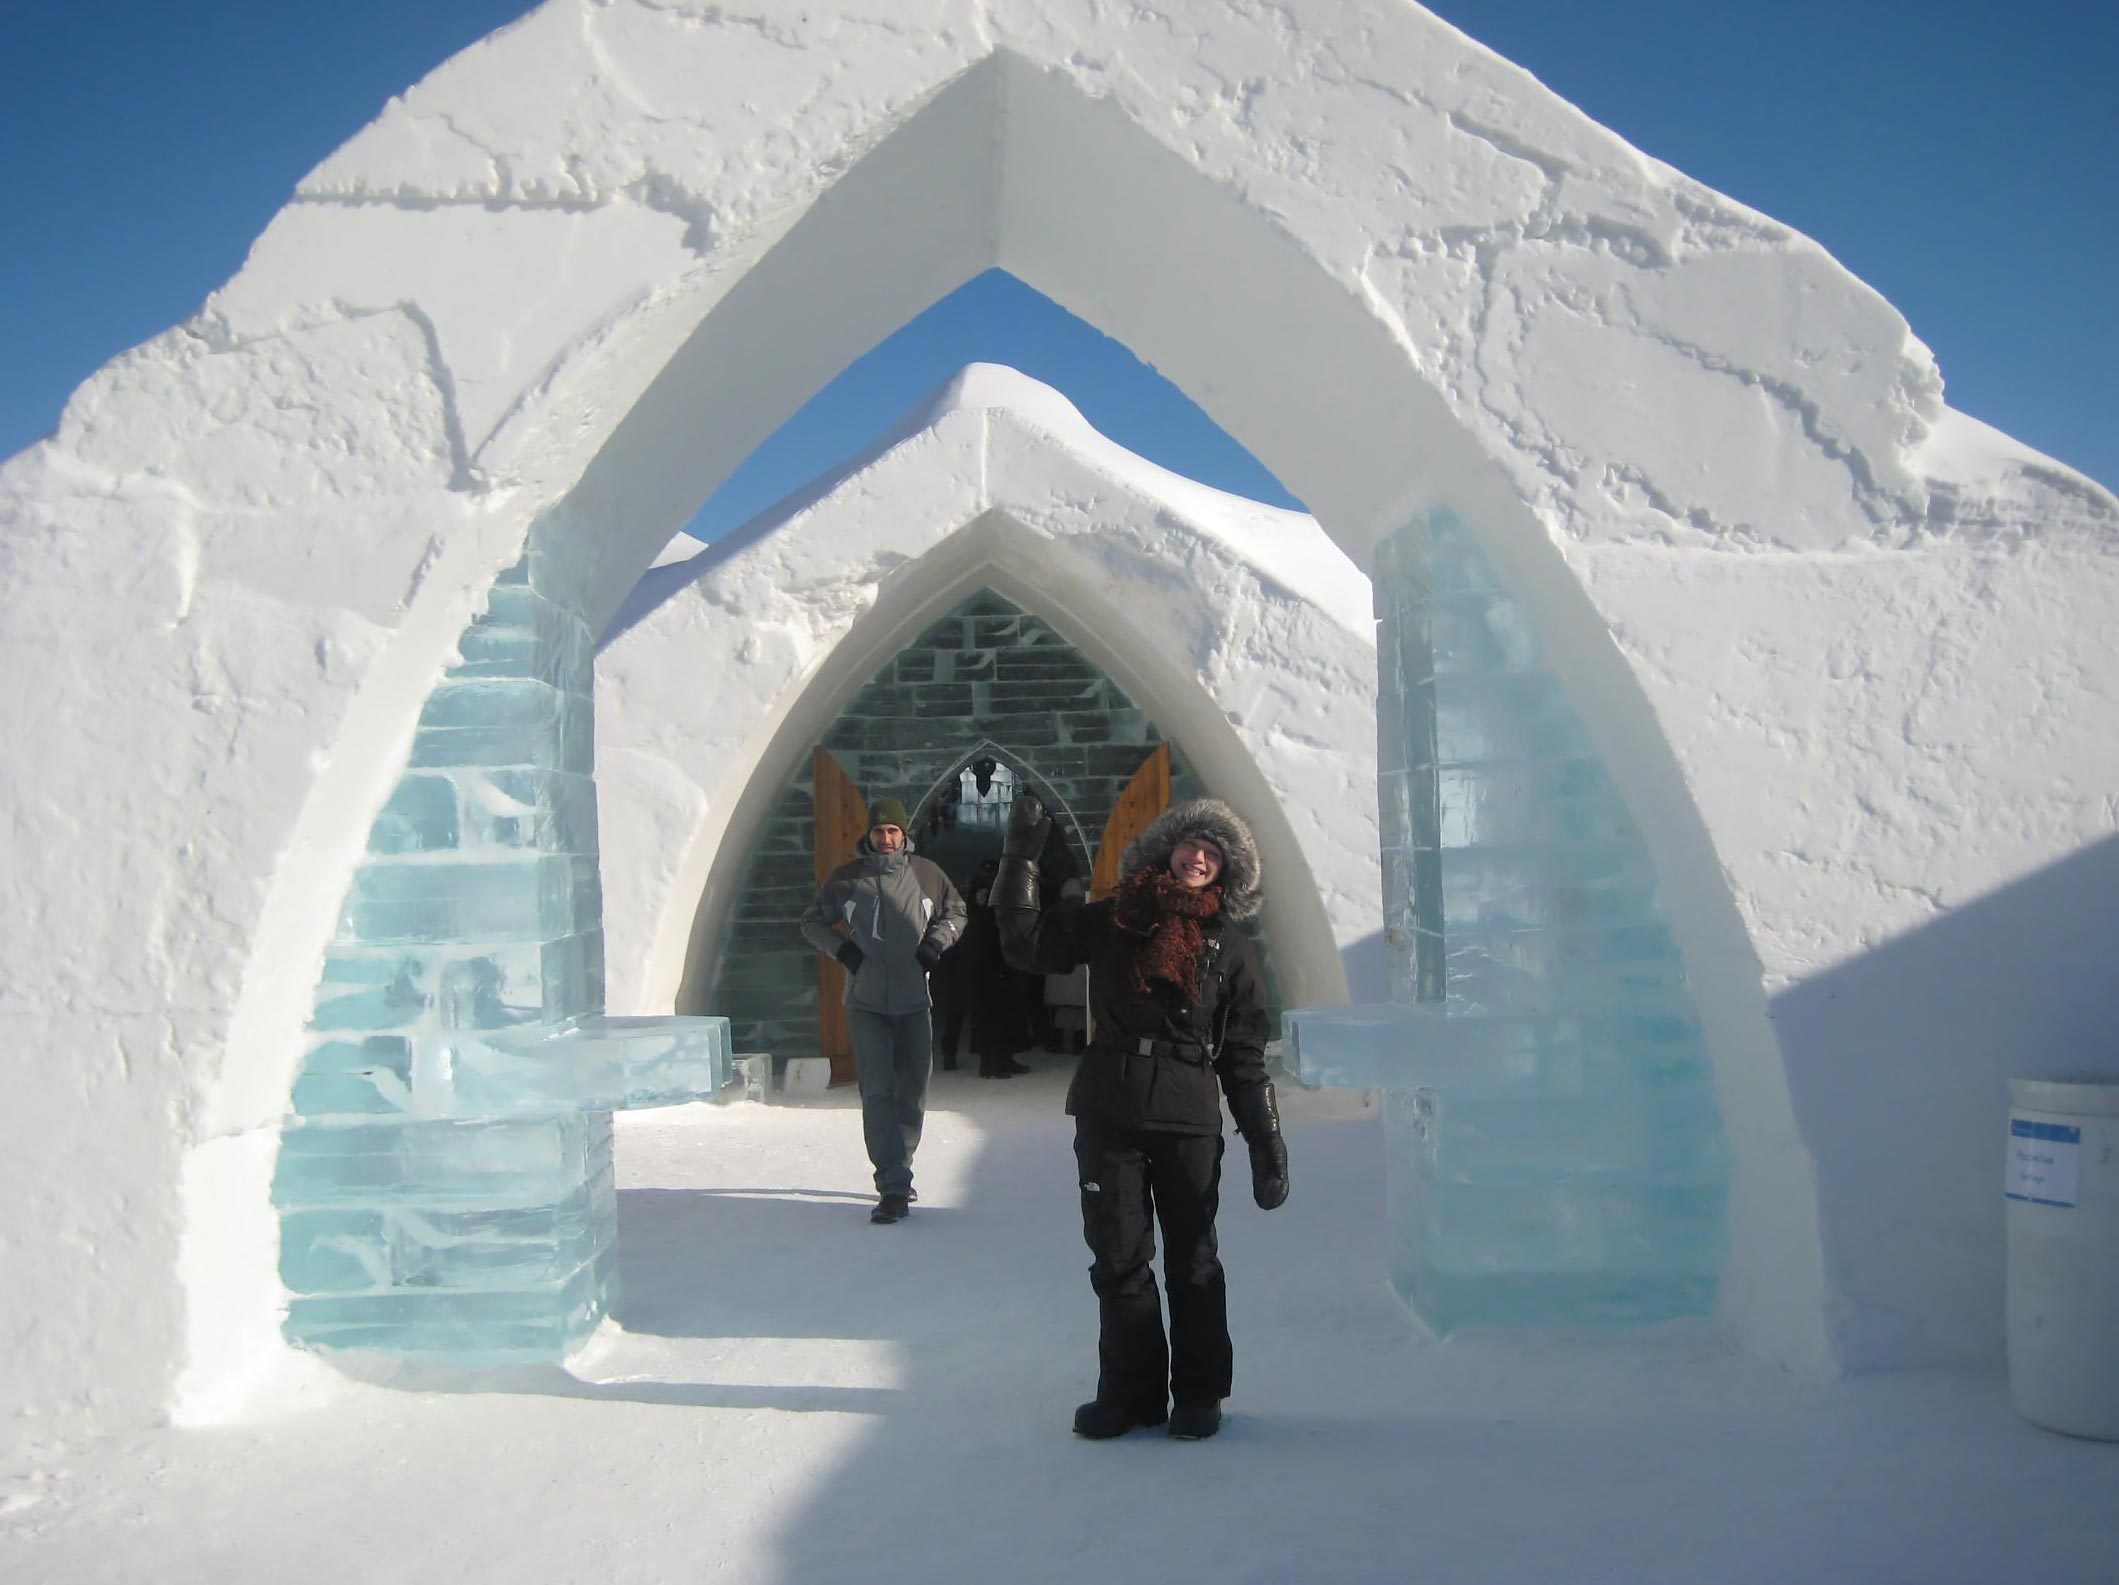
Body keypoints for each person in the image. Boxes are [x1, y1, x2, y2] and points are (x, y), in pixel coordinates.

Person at [993, 792, 1290, 1440]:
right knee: (1118, 1258)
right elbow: (1025, 943)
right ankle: (1129, 1393)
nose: (1198, 858)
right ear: (1166, 849)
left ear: (1226, 873)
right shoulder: (1115, 920)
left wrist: (1265, 1140)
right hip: (1111, 1105)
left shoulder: (1230, 948)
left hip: (1187, 1116)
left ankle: (1198, 1392)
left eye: (1213, 853)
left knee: (1193, 1260)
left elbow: (1242, 1051)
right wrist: (1019, 855)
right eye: (1190, 845)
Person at [799, 796, 966, 1224]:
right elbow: (812, 922)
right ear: (869, 835)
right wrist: (844, 951)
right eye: (879, 831)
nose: (887, 838)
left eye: (893, 831)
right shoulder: (846, 879)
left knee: (913, 1091)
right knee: (877, 1093)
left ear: (904, 834)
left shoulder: (927, 874)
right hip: (866, 1002)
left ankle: (901, 1163)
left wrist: (935, 944)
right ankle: (891, 1183)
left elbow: (957, 912)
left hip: (914, 1001)